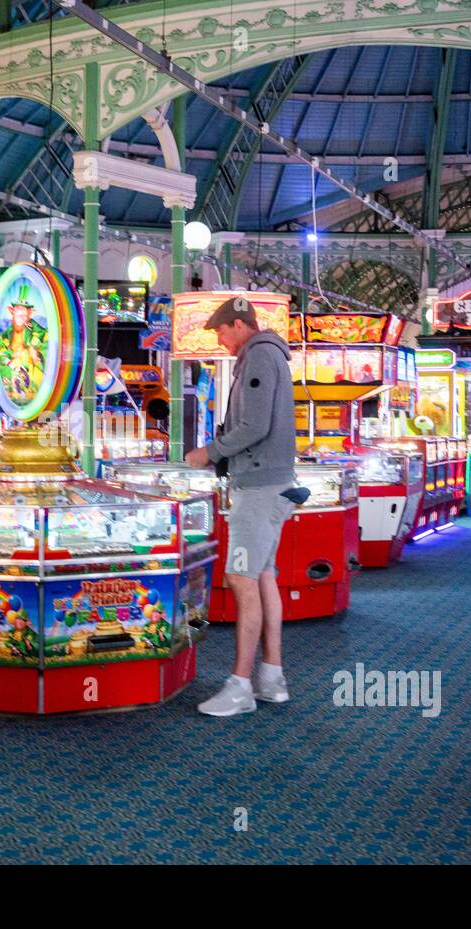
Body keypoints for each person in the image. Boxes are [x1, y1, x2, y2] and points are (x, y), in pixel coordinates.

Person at [184, 297, 298, 717]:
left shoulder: (258, 357)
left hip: (260, 486)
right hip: (274, 483)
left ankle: (240, 686)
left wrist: (210, 452)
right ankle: (271, 677)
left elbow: (254, 425)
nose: (221, 341)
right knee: (263, 575)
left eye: (222, 332)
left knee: (240, 577)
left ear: (238, 324)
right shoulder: (270, 355)